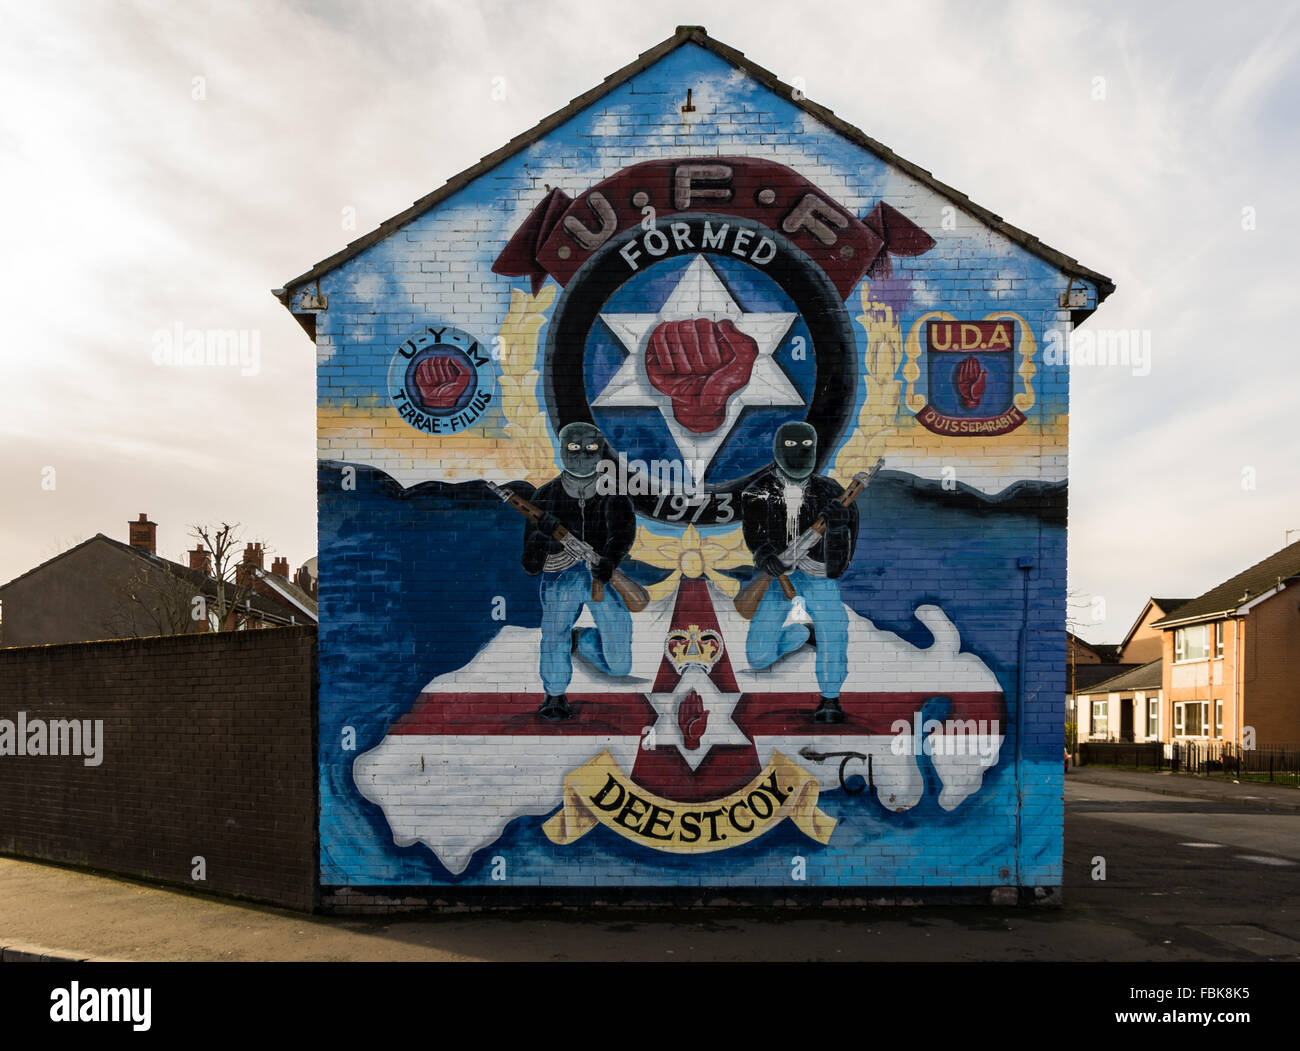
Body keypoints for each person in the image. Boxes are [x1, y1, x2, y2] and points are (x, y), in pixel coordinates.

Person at [742, 421, 858, 723]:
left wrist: (837, 528)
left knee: (833, 629)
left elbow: (839, 564)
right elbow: (755, 535)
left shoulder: (834, 494)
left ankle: (830, 697)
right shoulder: (757, 492)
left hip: (818, 574)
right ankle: (801, 635)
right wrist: (766, 556)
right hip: (779, 576)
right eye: (791, 446)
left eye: (804, 446)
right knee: (757, 655)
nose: (798, 453)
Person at [522, 422, 636, 720]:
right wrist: (545, 536)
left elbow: (622, 537)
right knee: (554, 633)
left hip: (601, 576)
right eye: (574, 448)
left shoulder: (614, 496)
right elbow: (530, 564)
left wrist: (608, 562)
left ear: (600, 453)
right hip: (561, 578)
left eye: (589, 449)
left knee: (621, 664)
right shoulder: (545, 497)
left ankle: (580, 640)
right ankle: (555, 693)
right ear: (562, 451)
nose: (582, 456)